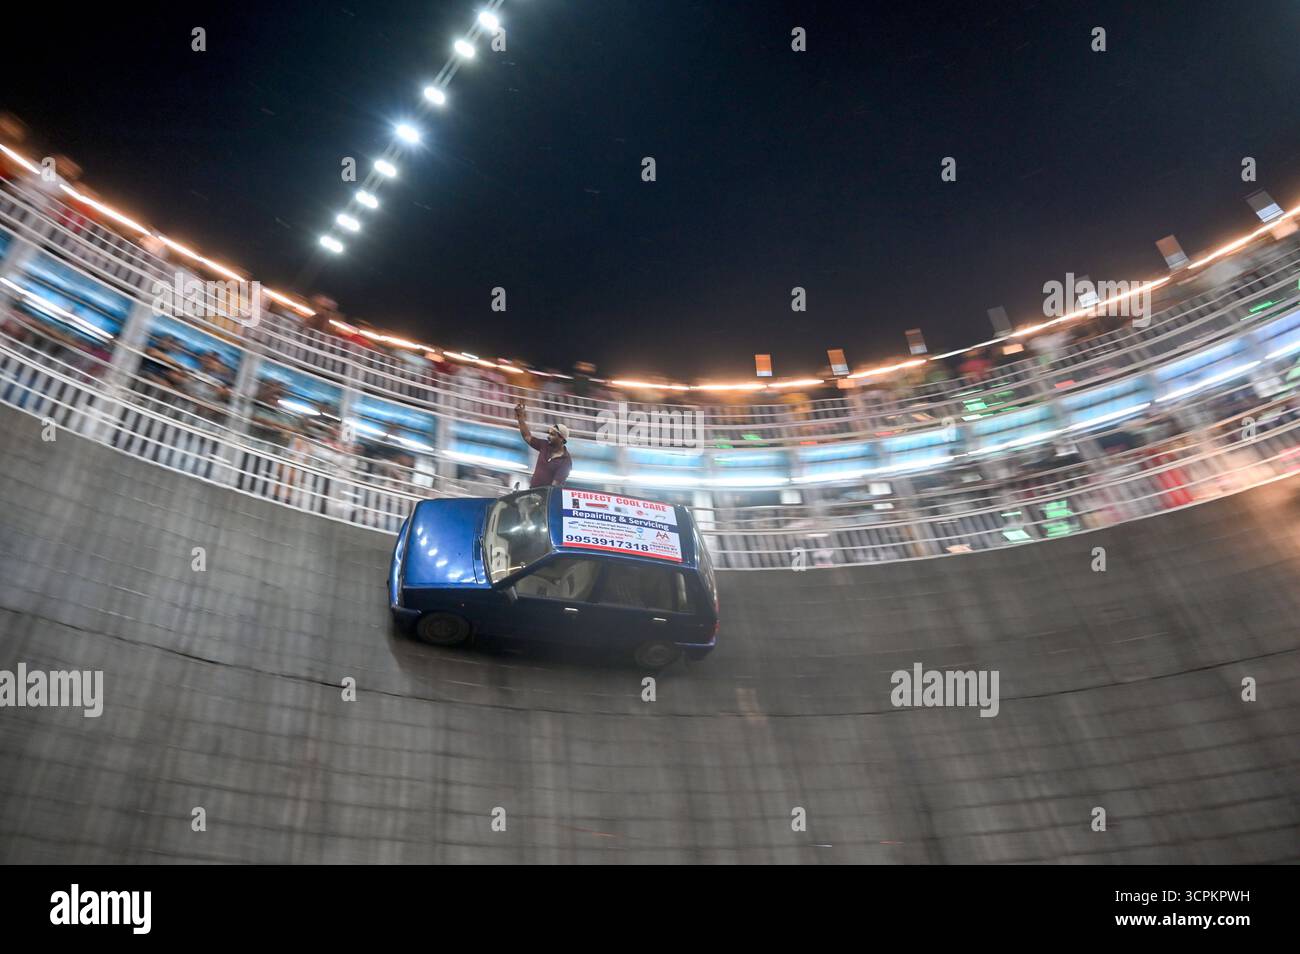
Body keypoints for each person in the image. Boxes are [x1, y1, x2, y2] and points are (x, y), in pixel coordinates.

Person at [514, 400, 571, 488]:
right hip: (532, 492)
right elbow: (527, 436)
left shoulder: (566, 461)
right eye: (549, 433)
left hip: (545, 498)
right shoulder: (544, 445)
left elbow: (555, 486)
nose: (548, 436)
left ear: (561, 439)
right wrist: (520, 417)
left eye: (552, 434)